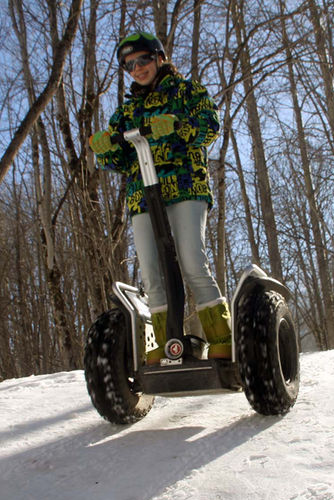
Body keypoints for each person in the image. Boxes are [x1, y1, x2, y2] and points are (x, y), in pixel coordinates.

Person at [89, 32, 231, 364]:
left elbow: (209, 126)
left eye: (143, 59)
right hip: (143, 196)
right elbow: (123, 160)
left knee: (193, 262)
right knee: (152, 273)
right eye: (129, 64)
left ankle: (222, 338)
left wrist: (178, 124)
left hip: (185, 187)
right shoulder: (127, 112)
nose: (137, 68)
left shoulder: (186, 91)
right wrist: (106, 151)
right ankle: (169, 345)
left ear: (159, 58)